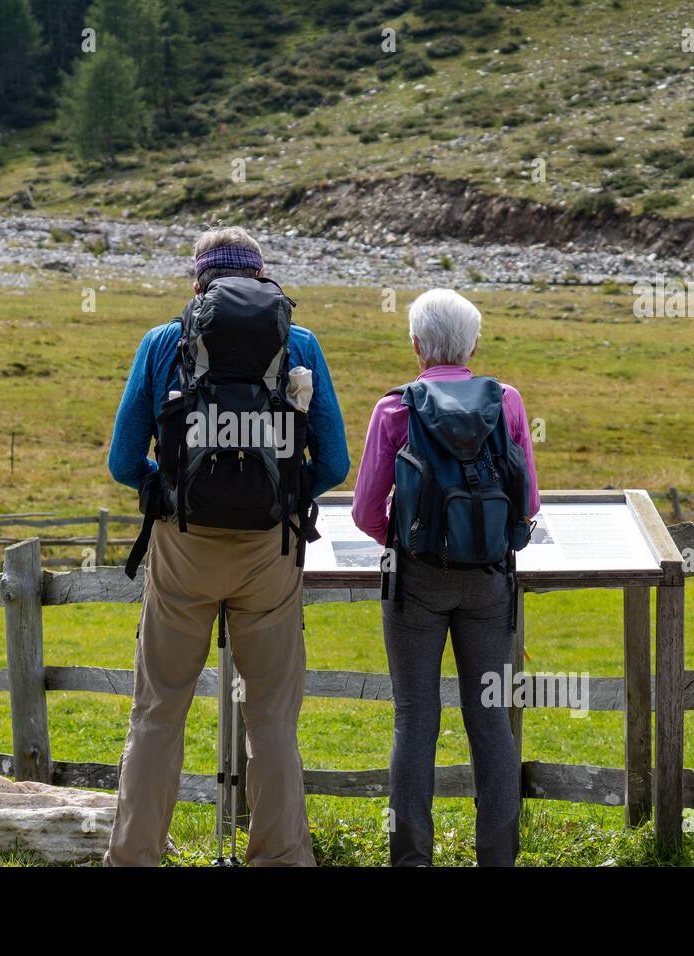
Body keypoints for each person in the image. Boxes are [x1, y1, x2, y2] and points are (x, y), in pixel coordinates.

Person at [104, 225, 349, 866]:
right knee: (271, 716)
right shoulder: (300, 343)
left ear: (198, 283)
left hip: (184, 547)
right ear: (262, 277)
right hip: (271, 549)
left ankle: (135, 857)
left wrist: (171, 490)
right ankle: (281, 857)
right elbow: (335, 463)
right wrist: (283, 496)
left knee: (158, 711)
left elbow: (124, 461)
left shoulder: (164, 342)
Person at [351, 288, 539, 867]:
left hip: (416, 581)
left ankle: (412, 860)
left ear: (416, 346)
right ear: (475, 344)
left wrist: (407, 539)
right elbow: (527, 501)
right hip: (489, 581)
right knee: (491, 720)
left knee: (415, 716)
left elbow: (364, 512)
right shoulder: (506, 401)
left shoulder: (395, 409)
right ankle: (498, 860)